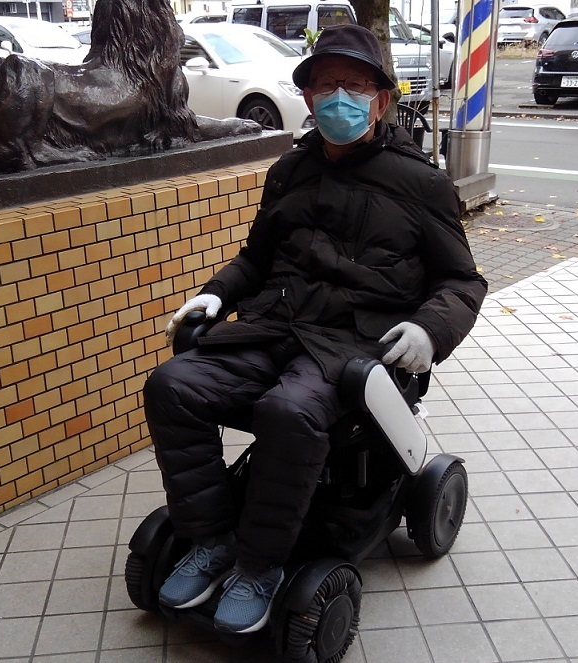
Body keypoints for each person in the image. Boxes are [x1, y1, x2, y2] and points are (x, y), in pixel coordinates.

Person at [143, 23, 487, 635]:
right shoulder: (291, 171)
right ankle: (213, 539)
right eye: (326, 85)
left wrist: (429, 331)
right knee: (172, 383)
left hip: (355, 351)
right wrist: (215, 294)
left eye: (354, 85)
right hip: (275, 329)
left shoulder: (421, 182)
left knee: (288, 412)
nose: (339, 98)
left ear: (381, 99)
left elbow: (462, 282)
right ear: (306, 97)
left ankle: (260, 565)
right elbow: (255, 258)